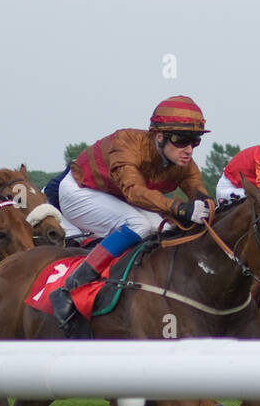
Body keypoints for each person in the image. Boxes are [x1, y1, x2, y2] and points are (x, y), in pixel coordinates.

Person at [50, 96, 214, 331]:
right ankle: (71, 287)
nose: (188, 150)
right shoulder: (126, 142)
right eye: (181, 140)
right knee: (139, 225)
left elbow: (198, 191)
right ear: (159, 136)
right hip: (79, 190)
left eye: (195, 142)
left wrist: (206, 205)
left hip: (115, 197)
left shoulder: (183, 162)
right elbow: (135, 192)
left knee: (167, 230)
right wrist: (178, 208)